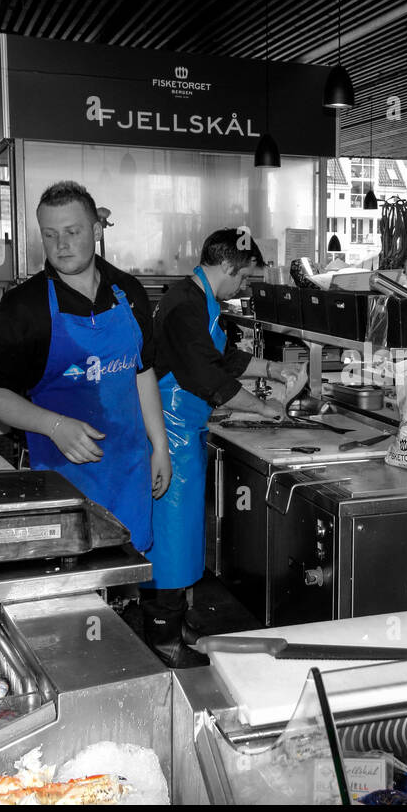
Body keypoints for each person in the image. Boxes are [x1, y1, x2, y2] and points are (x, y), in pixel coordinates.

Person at [0, 180, 168, 557]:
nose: (61, 245)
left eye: (72, 232)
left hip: (129, 472)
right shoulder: (23, 307)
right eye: (50, 235)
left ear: (96, 231)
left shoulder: (129, 291)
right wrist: (55, 425)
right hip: (62, 478)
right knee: (72, 587)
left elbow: (141, 372)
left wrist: (159, 446)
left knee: (125, 576)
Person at [145, 229, 302, 659]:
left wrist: (270, 369)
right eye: (246, 279)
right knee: (171, 538)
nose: (245, 288)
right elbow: (206, 377)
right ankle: (163, 637)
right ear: (228, 267)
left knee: (184, 535)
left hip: (184, 433)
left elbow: (225, 357)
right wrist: (263, 409)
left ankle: (178, 620)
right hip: (168, 434)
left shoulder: (202, 300)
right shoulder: (183, 306)